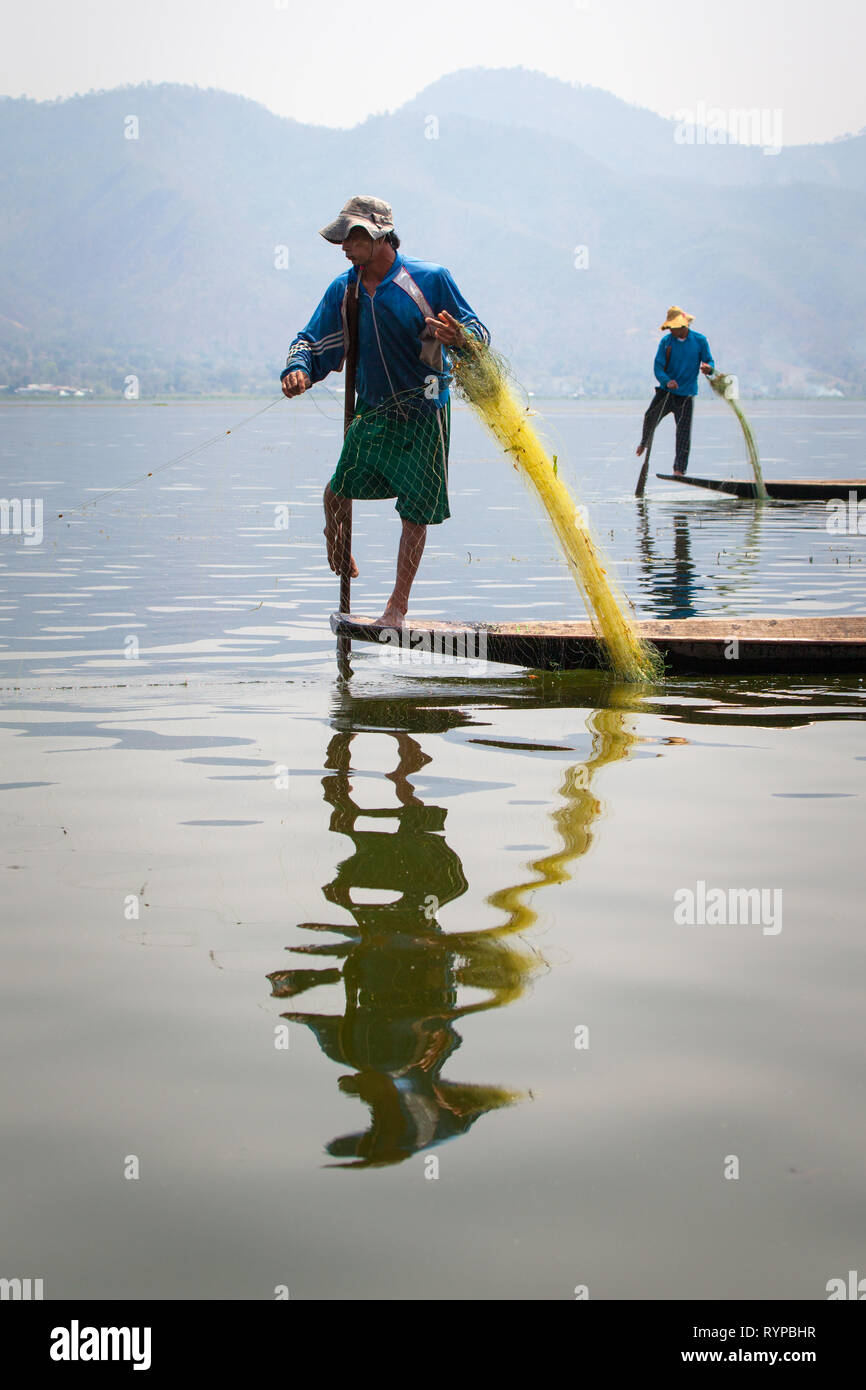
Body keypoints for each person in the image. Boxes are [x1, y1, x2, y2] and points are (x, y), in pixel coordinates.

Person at [280, 196, 489, 626]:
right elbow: (311, 338)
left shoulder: (429, 280)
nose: (344, 247)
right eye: (341, 239)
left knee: (414, 515)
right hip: (373, 411)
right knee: (337, 493)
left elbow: (479, 334)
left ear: (378, 235)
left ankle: (396, 608)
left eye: (351, 237)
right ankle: (333, 540)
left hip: (424, 412)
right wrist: (298, 369)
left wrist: (458, 337)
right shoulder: (346, 290)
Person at [636, 306, 714, 475]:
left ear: (683, 327)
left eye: (674, 328)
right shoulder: (666, 342)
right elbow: (658, 367)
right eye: (670, 328)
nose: (671, 330)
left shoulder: (700, 341)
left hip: (686, 395)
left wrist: (708, 368)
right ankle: (644, 442)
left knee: (683, 433)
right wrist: (666, 381)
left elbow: (709, 361)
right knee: (650, 416)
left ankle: (679, 469)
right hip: (667, 393)